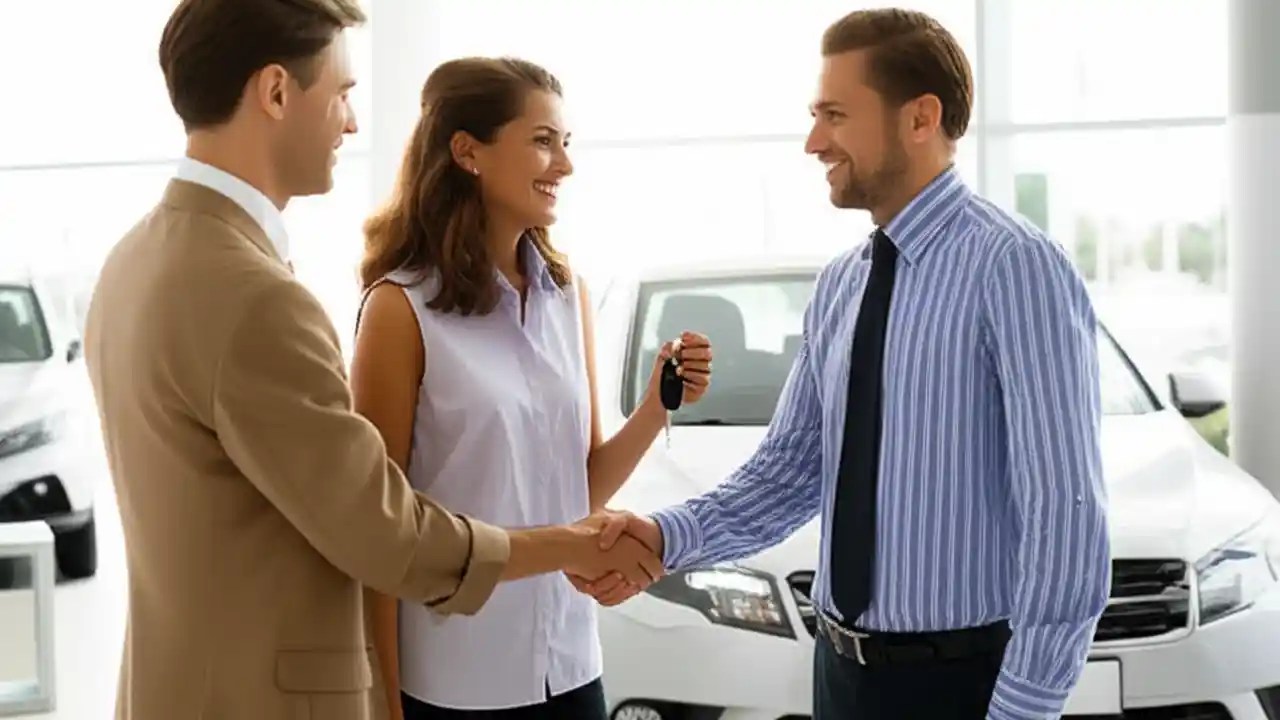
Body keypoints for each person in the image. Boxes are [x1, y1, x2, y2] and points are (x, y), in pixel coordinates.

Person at [82, 3, 660, 719]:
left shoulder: (134, 261)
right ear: (275, 92)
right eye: (343, 93)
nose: (352, 124)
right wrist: (569, 546)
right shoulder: (255, 295)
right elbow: (387, 535)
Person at [597, 8, 1111, 720]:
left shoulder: (1015, 266)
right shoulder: (842, 283)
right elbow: (789, 471)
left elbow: (1066, 512)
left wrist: (1025, 708)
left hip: (964, 689)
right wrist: (663, 536)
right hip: (839, 677)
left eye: (834, 115)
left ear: (920, 118)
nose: (813, 141)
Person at [351, 56, 714, 720]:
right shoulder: (399, 310)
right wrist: (382, 701)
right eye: (543, 141)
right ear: (468, 152)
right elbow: (377, 535)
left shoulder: (565, 295)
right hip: (455, 680)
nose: (564, 165)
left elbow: (580, 488)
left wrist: (657, 407)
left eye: (565, 143)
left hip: (571, 665)